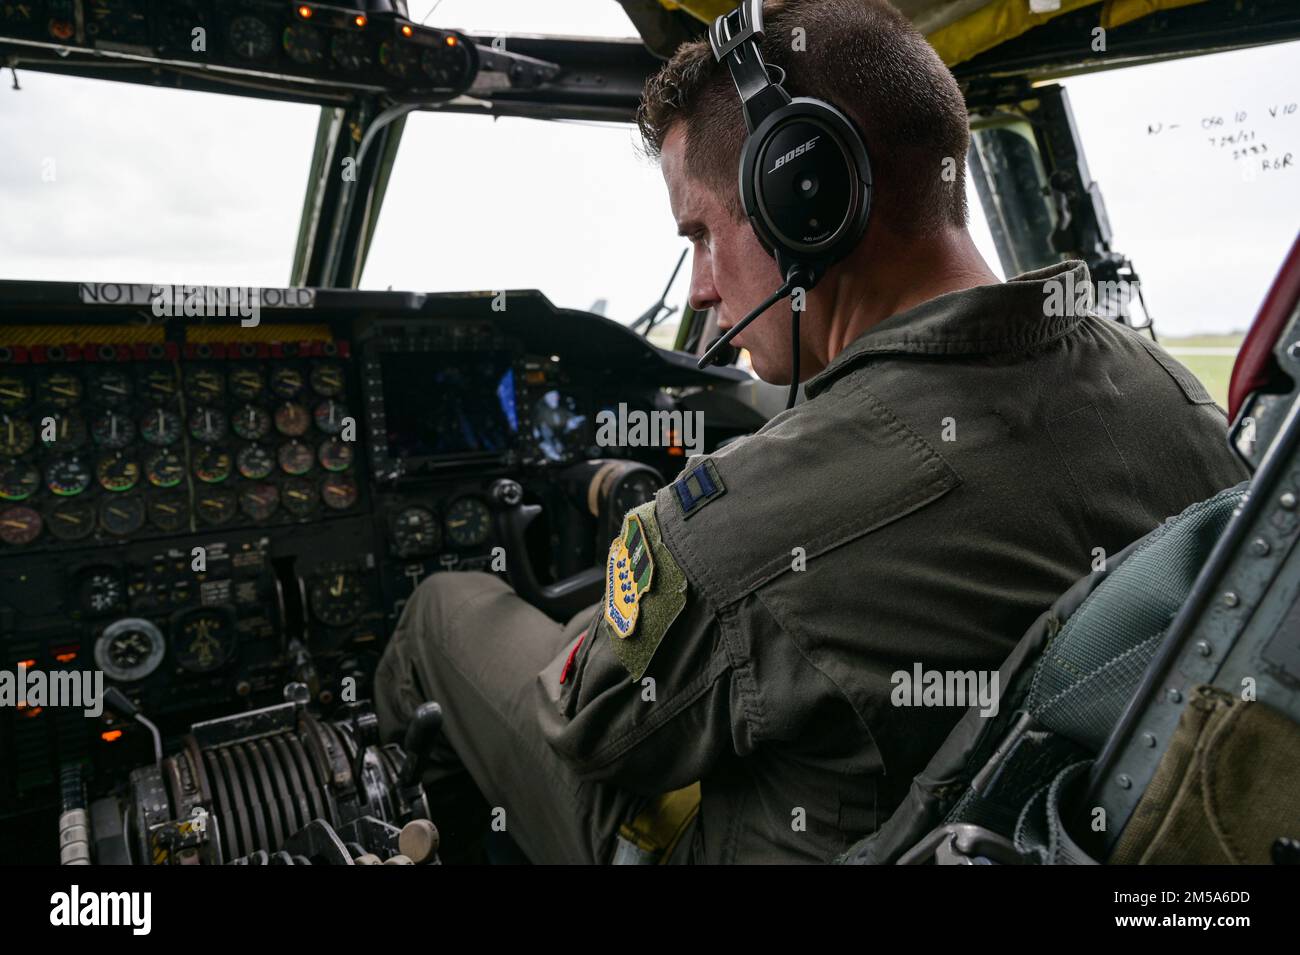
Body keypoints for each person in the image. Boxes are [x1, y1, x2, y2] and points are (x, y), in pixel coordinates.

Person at [374, 0, 1248, 864]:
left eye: (703, 236)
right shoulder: (1171, 394)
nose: (700, 293)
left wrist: (619, 612)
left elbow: (592, 726)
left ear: (804, 198)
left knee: (446, 611)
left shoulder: (747, 522)